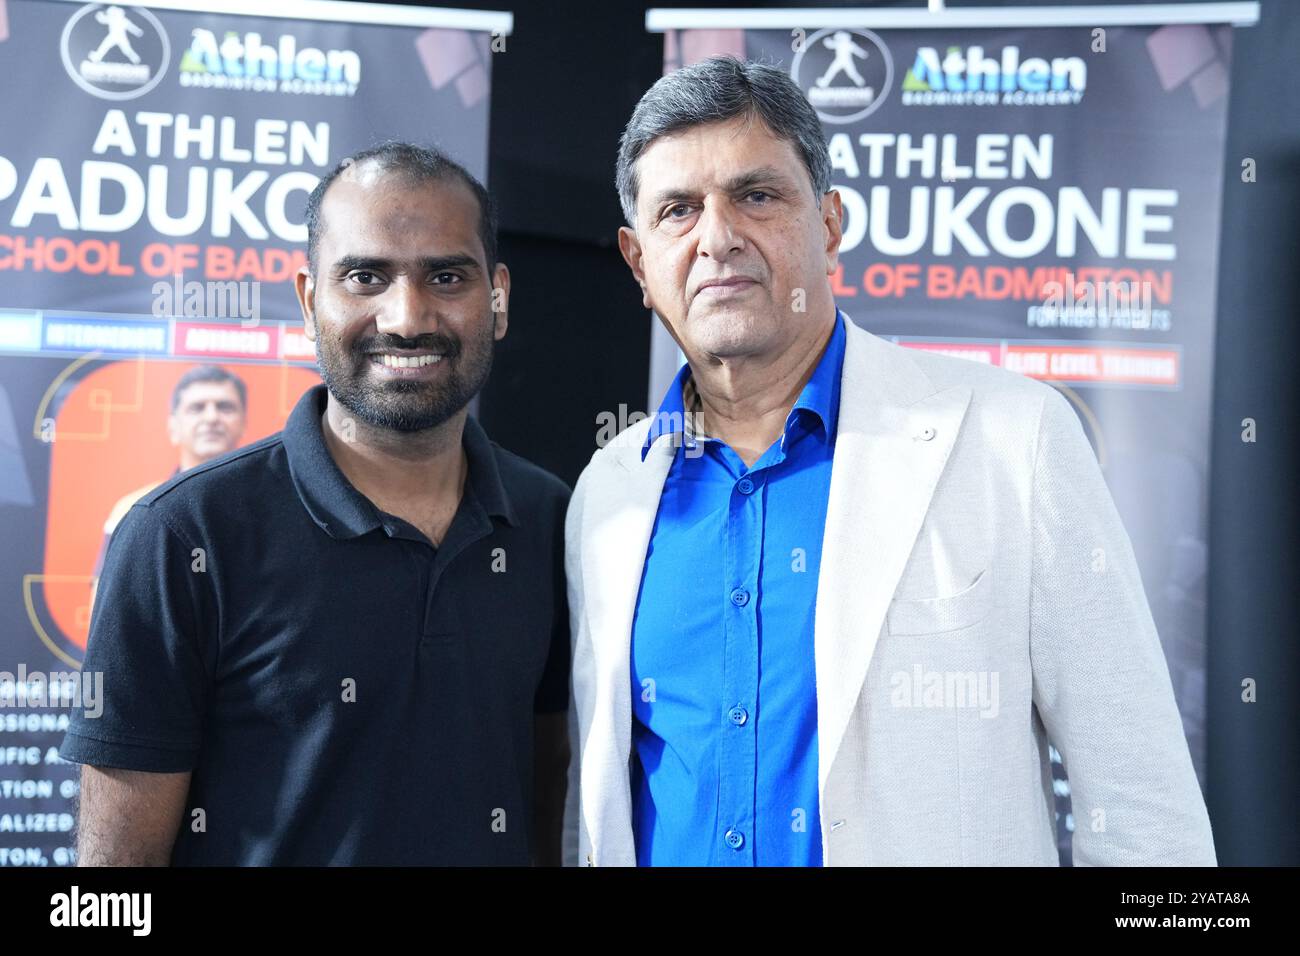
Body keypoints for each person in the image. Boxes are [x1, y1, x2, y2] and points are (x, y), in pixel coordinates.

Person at [566, 56, 1215, 866]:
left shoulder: (1016, 438)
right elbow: (601, 815)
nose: (718, 236)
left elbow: (1145, 813)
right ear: (637, 263)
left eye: (757, 195)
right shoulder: (608, 493)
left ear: (830, 225)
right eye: (678, 211)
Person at [60, 142, 571, 866]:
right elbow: (114, 883)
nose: (406, 317)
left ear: (498, 300)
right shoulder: (180, 534)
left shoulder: (549, 519)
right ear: (308, 301)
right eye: (366, 276)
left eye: (447, 276)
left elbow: (542, 799)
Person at [90, 365, 248, 610]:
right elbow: (103, 612)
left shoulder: (267, 508)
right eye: (196, 408)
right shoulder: (132, 510)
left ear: (243, 423)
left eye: (224, 407)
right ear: (173, 426)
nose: (211, 417)